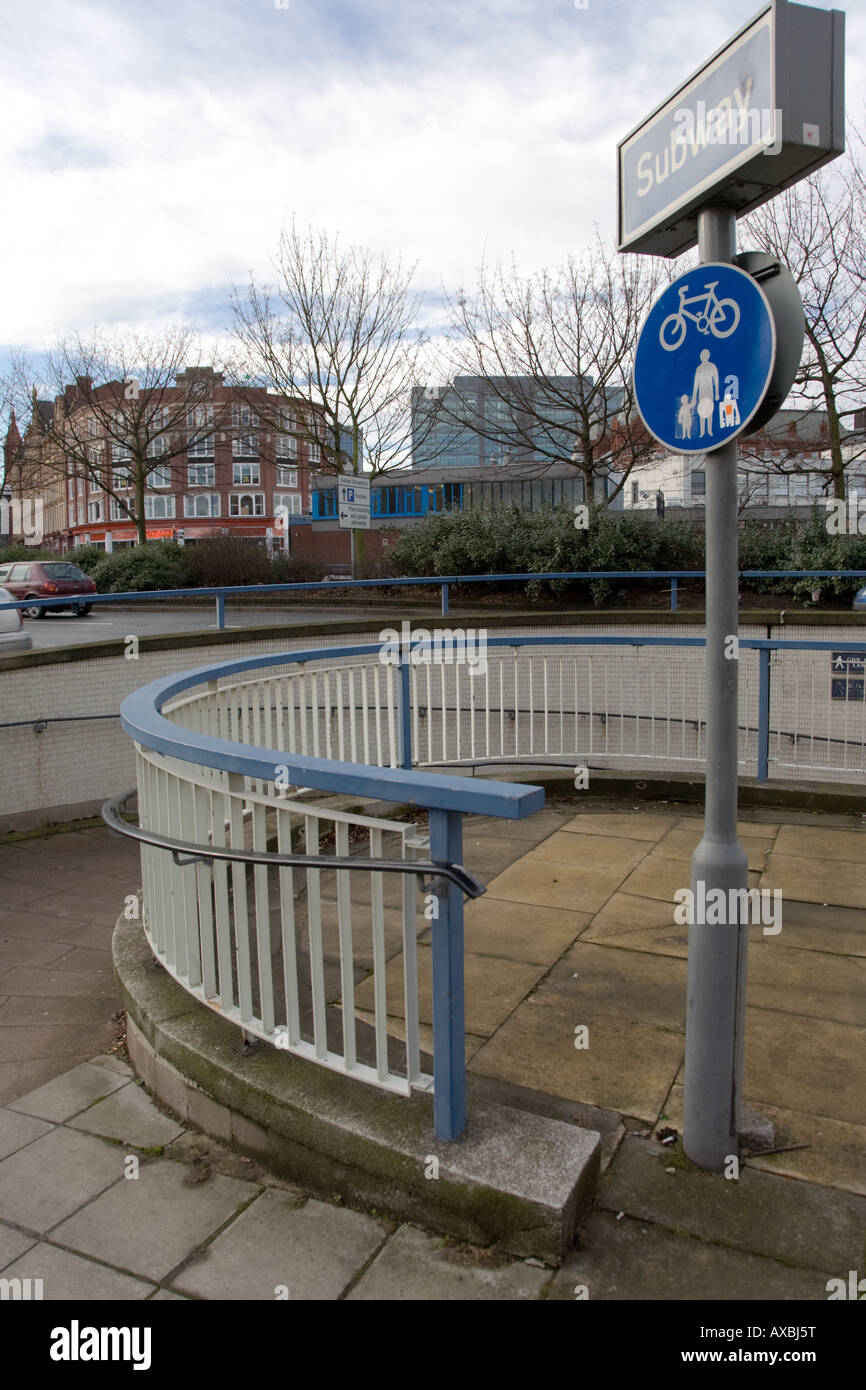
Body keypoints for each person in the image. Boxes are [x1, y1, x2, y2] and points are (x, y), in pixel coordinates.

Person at [690, 349, 719, 438]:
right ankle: (702, 431)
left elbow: (716, 381)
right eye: (702, 355)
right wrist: (694, 398)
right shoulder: (699, 369)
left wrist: (717, 393)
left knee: (709, 411)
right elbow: (696, 384)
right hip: (701, 393)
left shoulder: (712, 366)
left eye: (705, 355)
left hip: (710, 392)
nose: (703, 357)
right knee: (701, 411)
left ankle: (709, 430)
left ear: (708, 356)